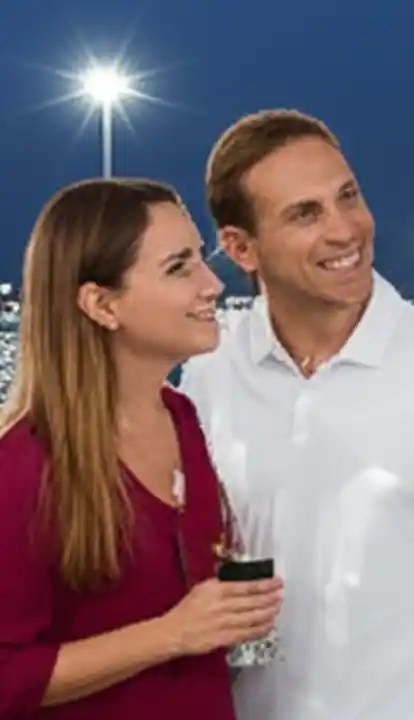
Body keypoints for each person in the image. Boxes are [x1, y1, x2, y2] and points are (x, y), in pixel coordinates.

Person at [179, 109, 414, 719]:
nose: (345, 229)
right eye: (306, 214)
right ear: (241, 248)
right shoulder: (209, 369)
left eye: (348, 196)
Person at [0, 179, 285, 718]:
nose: (212, 284)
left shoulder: (182, 418)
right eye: (179, 268)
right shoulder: (25, 466)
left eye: (200, 259)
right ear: (101, 304)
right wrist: (171, 634)